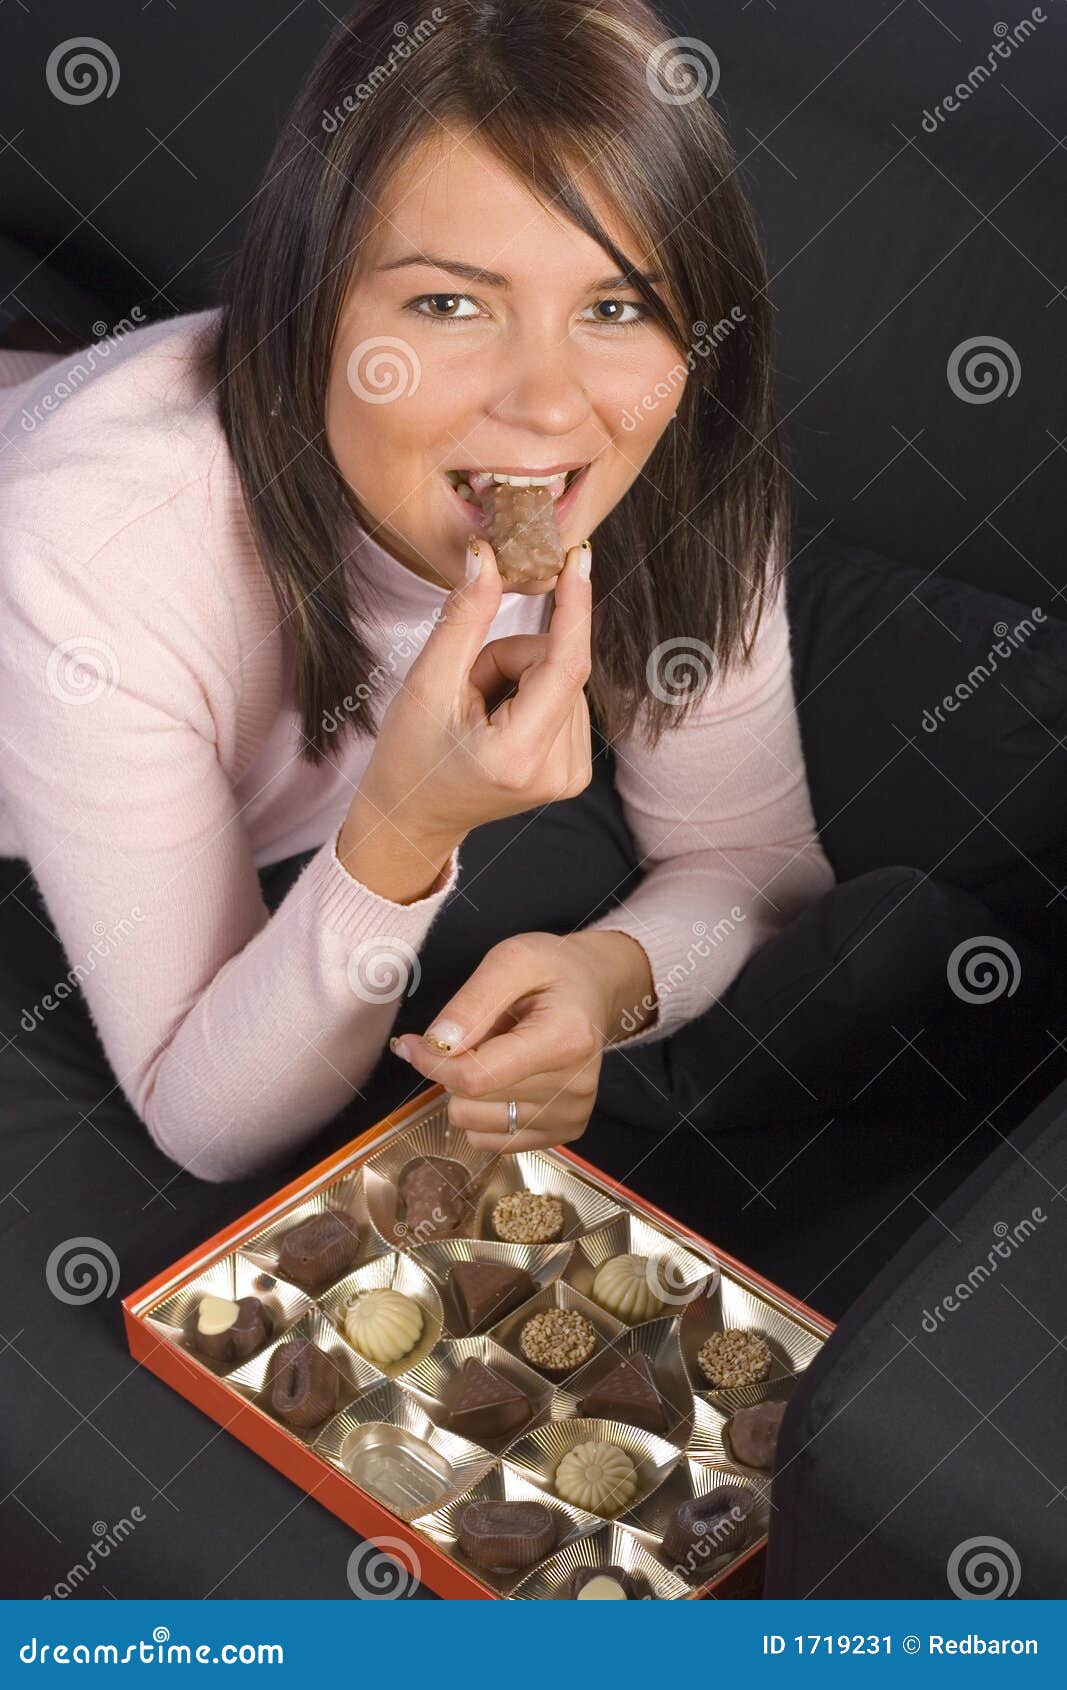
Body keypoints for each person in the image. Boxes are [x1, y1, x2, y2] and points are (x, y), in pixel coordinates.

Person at [0, 0, 834, 1184]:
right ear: (308, 308)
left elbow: (755, 859)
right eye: (449, 303)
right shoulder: (85, 557)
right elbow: (207, 1119)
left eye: (615, 306)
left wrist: (607, 983)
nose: (549, 407)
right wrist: (403, 829)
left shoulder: (667, 452)